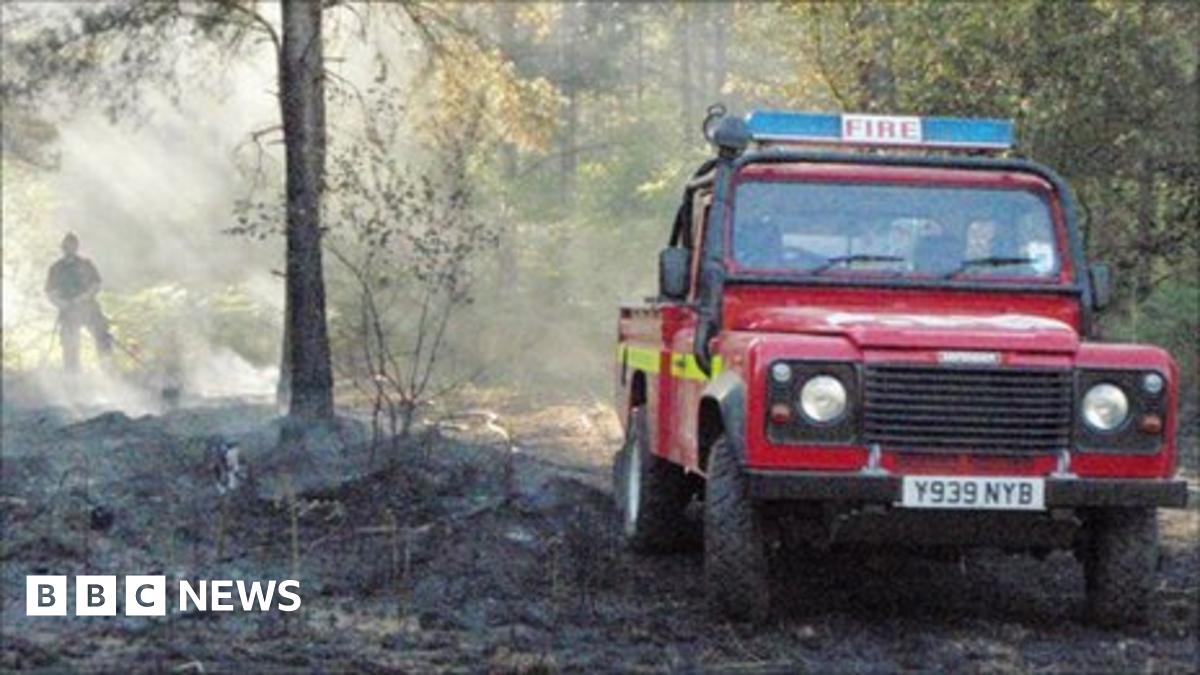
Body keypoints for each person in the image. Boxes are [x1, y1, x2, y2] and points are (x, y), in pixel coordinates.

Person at [45, 233, 113, 372]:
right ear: (63, 248)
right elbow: (50, 292)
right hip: (68, 312)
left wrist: (82, 299)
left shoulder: (86, 264)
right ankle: (73, 375)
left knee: (102, 336)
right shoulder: (56, 268)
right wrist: (63, 303)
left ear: (76, 247)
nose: (69, 248)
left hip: (89, 309)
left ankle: (108, 369)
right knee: (69, 344)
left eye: (72, 245)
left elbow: (96, 284)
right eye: (67, 246)